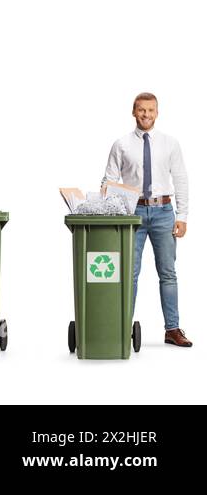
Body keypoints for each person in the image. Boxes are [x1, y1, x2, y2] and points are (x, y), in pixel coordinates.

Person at [103, 92, 191, 347]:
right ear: (134, 112)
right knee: (129, 273)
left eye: (150, 110)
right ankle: (122, 327)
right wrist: (112, 210)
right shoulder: (121, 144)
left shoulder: (170, 143)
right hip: (134, 214)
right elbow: (108, 181)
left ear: (157, 112)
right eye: (141, 110)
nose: (146, 115)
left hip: (164, 212)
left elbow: (181, 178)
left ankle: (172, 329)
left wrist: (182, 216)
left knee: (168, 273)